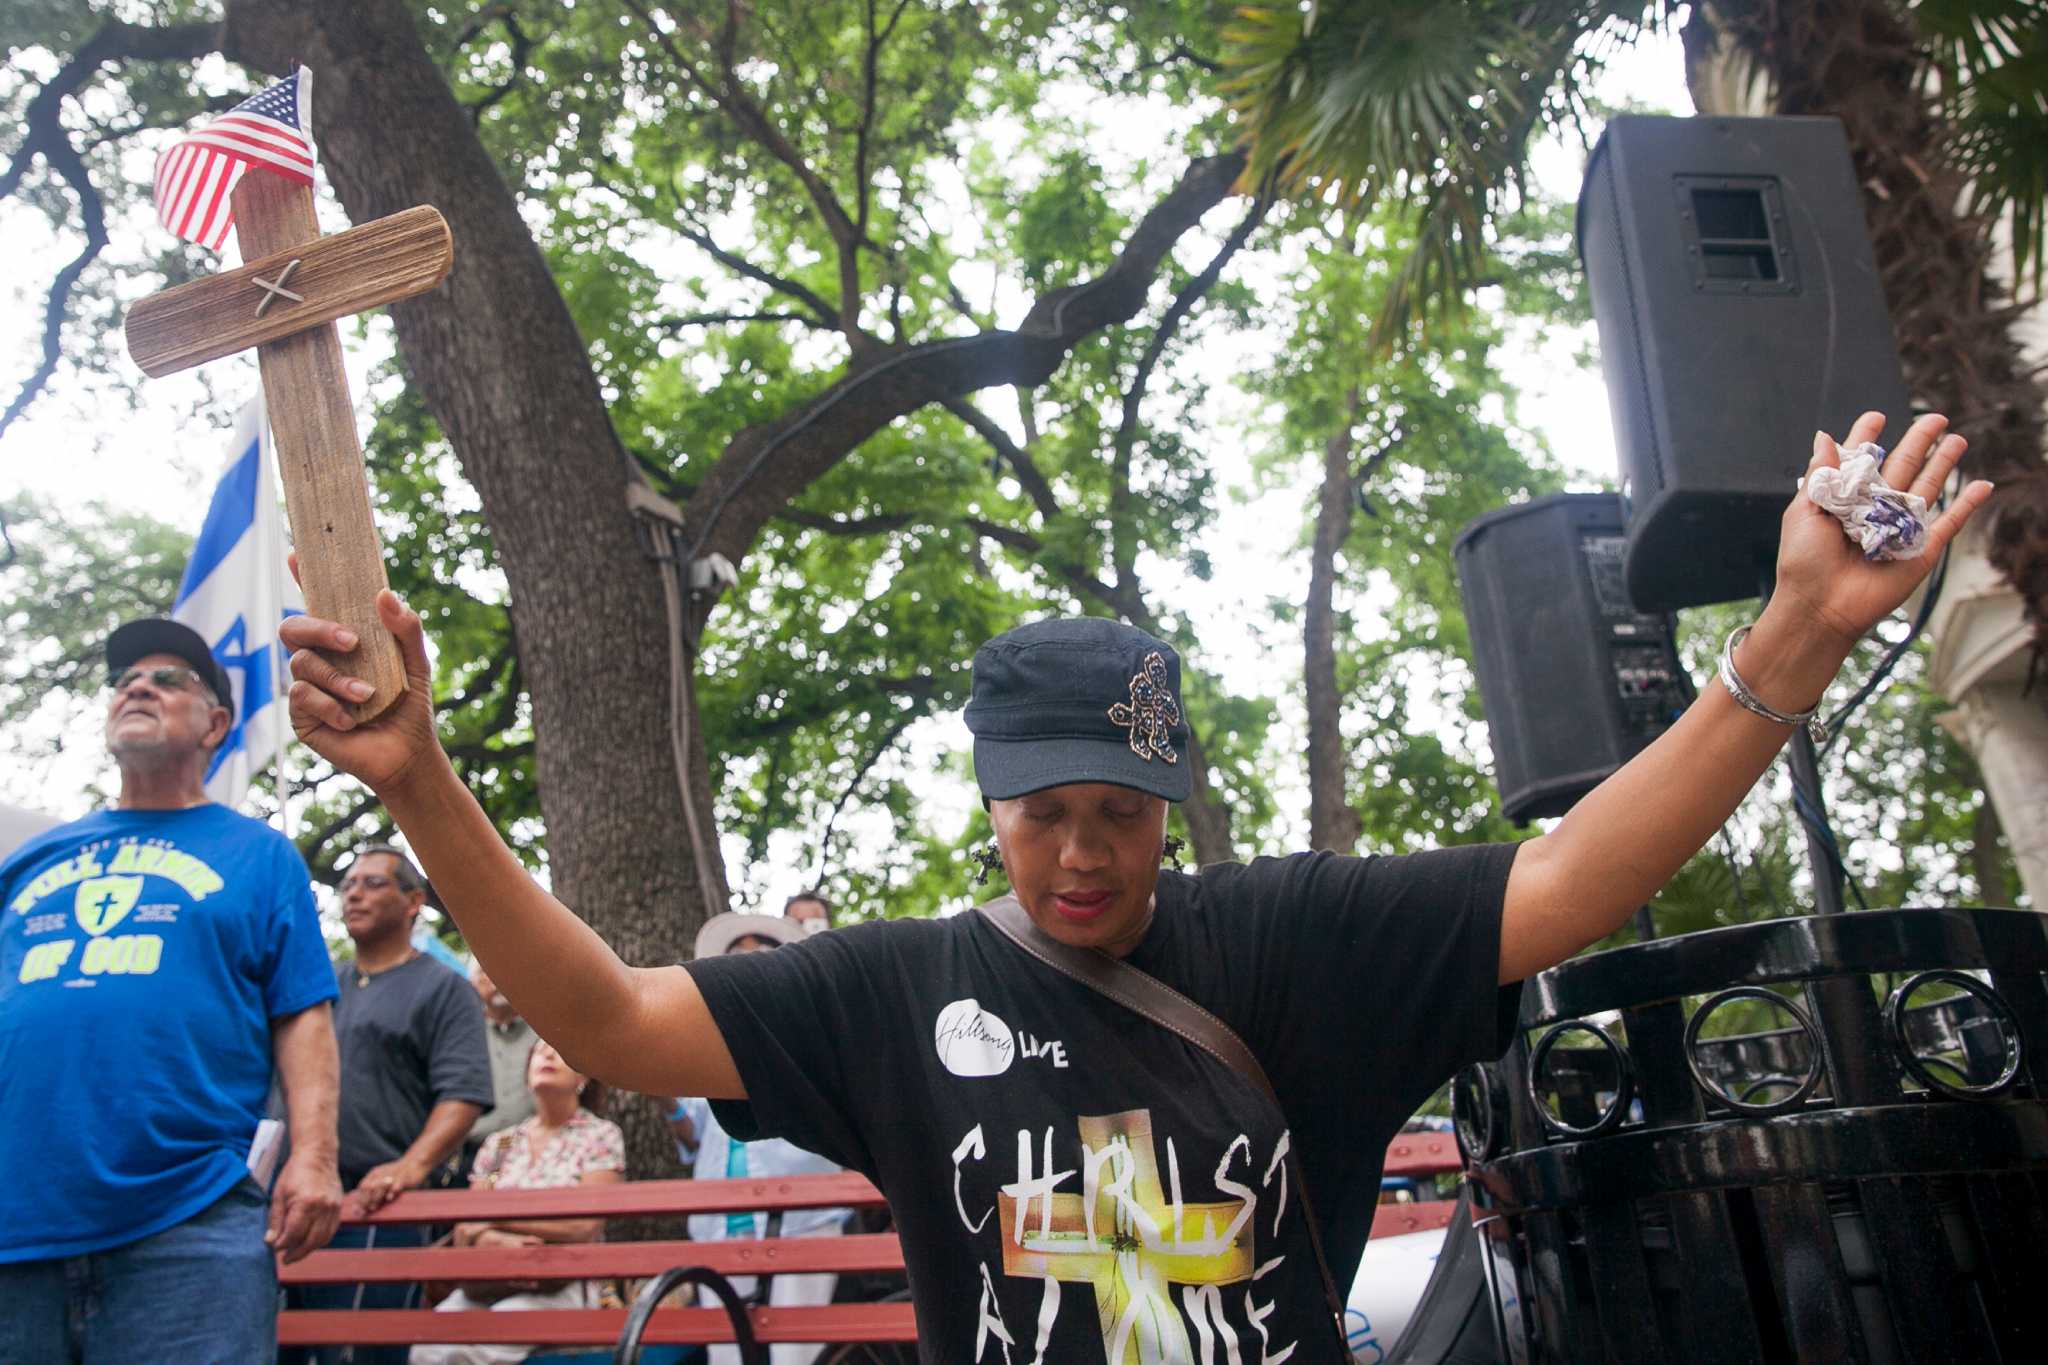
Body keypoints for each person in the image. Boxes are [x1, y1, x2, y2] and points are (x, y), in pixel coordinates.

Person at [280, 415, 1991, 1362]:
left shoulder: (1281, 943)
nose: (1084, 854)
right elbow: (612, 1024)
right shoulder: (897, 987)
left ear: (1174, 807)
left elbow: (1562, 884)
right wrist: (424, 782)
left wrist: (1788, 639)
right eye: (1044, 815)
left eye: (1123, 812)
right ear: (993, 807)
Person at [0, 617, 342, 1362]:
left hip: (187, 1223)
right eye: (125, 680)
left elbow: (303, 1013)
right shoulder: (30, 861)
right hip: (13, 1224)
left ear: (216, 723)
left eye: (169, 678)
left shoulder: (259, 854)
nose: (137, 686)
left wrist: (315, 1154)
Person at [281, 844, 496, 1365]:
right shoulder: (317, 984)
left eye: (373, 883)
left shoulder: (444, 989)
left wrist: (409, 1167)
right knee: (270, 1350)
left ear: (413, 901)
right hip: (291, 1199)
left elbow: (463, 1093)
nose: (354, 893)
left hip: (378, 1205)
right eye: (348, 884)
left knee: (357, 1356)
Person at [675, 913, 850, 1365]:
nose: (750, 960)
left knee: (798, 1354)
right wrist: (664, 1103)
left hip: (802, 1219)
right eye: (738, 954)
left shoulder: (818, 1040)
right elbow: (691, 1133)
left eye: (764, 951)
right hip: (719, 1220)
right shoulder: (699, 1045)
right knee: (727, 1355)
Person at [409, 1038, 626, 1365]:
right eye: (538, 1051)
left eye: (560, 1051)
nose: (548, 1054)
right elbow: (468, 1225)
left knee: (478, 1350)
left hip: (563, 1286)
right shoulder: (501, 1143)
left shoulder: (599, 1135)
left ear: (583, 1078)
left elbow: (583, 1226)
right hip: (490, 1279)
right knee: (426, 1349)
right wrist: (503, 1240)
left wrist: (496, 1221)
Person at [460, 962, 538, 1182]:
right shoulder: (459, 1034)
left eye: (506, 969)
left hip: (537, 1154)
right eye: (484, 972)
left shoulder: (546, 1030)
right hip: (470, 1154)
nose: (496, 978)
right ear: (472, 982)